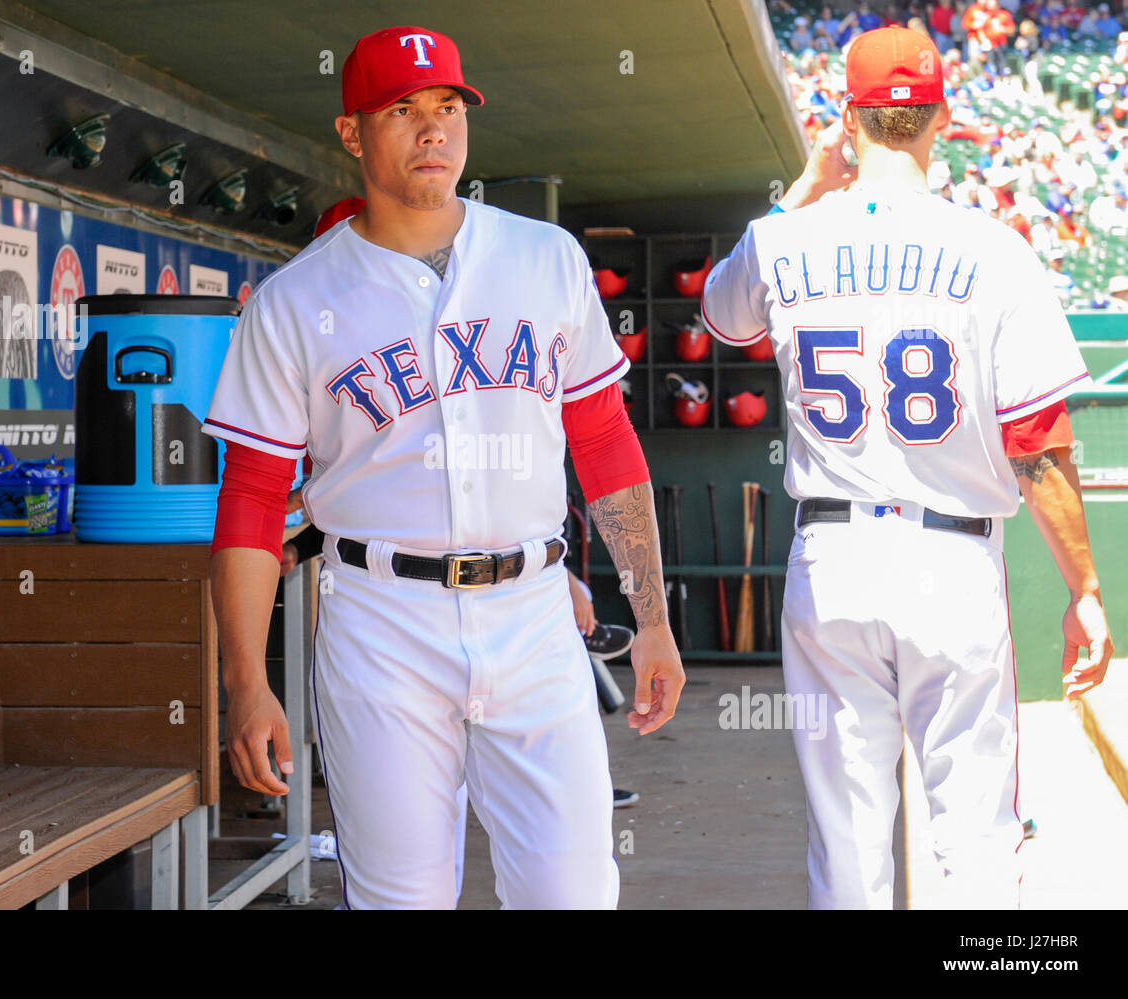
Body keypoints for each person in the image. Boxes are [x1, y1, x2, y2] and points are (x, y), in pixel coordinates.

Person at [204, 25, 684, 910]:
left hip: (536, 613)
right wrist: (245, 681)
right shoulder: (294, 300)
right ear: (353, 133)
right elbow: (252, 496)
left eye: (448, 106)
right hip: (381, 618)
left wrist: (651, 616)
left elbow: (606, 441)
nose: (434, 129)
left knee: (574, 891)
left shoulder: (546, 257)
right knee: (400, 899)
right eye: (404, 109)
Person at [702, 27, 1114, 909]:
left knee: (848, 845)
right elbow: (1036, 442)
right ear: (942, 120)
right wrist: (1083, 587)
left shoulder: (786, 241)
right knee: (972, 837)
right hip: (951, 559)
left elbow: (722, 316)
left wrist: (808, 186)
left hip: (832, 561)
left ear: (848, 119)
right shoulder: (995, 247)